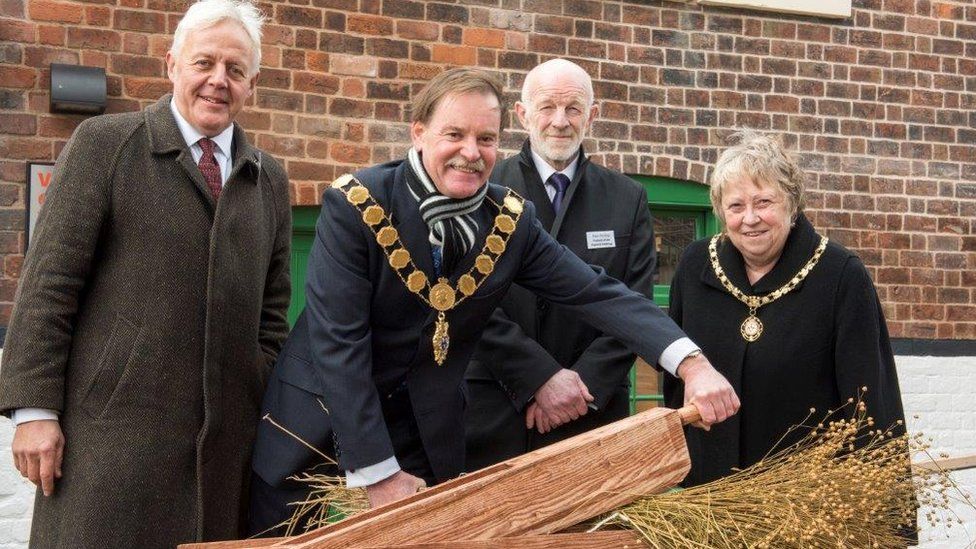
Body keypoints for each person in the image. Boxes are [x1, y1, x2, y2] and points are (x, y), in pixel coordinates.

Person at [249, 67, 739, 536]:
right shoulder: (355, 203)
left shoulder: (509, 220)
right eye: (454, 135)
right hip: (319, 423)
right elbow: (340, 343)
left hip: (422, 427)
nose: (471, 153)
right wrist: (378, 474)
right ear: (418, 133)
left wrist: (690, 364)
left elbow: (594, 291)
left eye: (485, 139)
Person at [0, 0, 291, 546]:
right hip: (108, 449)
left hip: (224, 458)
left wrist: (251, 383)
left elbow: (272, 317)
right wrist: (34, 410)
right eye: (203, 63)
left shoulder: (268, 179)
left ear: (253, 81)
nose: (217, 81)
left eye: (234, 69)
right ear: (171, 64)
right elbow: (49, 284)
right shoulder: (106, 146)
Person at [663, 130, 909, 487]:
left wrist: (881, 508)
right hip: (707, 489)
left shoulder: (841, 275)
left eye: (763, 202)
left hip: (804, 497)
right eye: (735, 206)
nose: (749, 218)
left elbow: (870, 399)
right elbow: (676, 381)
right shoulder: (695, 264)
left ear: (791, 205)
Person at [464, 59, 656, 470]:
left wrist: (576, 388)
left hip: (591, 415)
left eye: (573, 108)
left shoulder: (628, 197)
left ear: (592, 115)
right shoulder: (479, 188)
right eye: (547, 107)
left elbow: (634, 301)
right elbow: (463, 296)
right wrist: (537, 379)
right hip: (493, 410)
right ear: (522, 114)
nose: (560, 121)